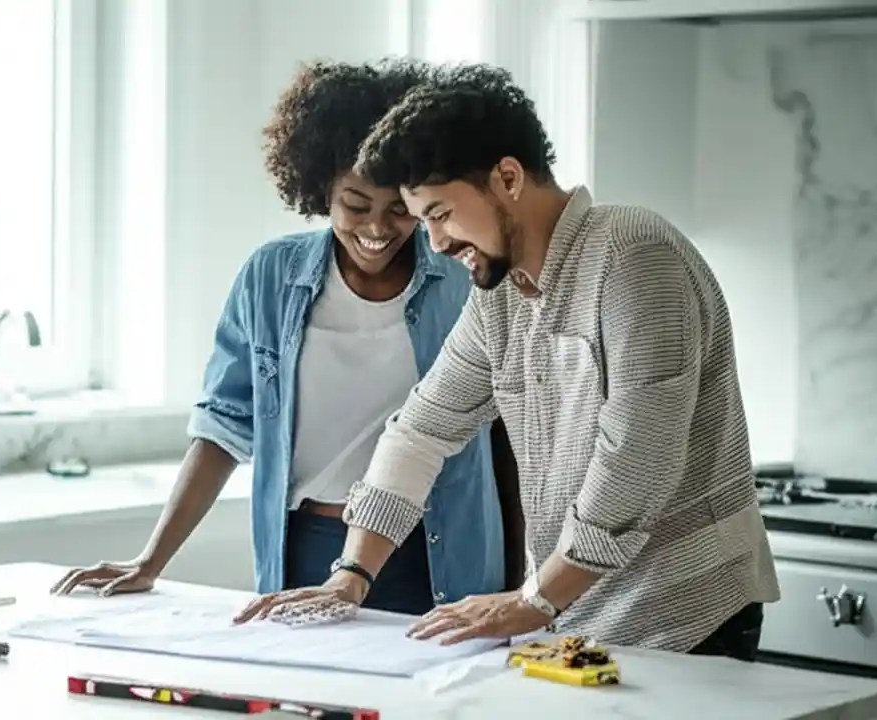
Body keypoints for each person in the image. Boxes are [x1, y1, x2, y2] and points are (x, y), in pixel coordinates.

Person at [237, 63, 780, 660]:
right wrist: (353, 575)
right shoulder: (500, 296)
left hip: (686, 611)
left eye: (441, 214)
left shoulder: (634, 256)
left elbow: (638, 461)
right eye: (425, 222)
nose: (436, 243)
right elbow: (422, 429)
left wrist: (533, 601)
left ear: (508, 177)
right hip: (580, 611)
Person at [50, 59, 523, 616]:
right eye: (355, 205)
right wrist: (151, 561)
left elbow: (503, 440)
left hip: (443, 550)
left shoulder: (464, 279)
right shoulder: (270, 278)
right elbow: (223, 426)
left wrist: (516, 585)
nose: (376, 229)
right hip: (306, 547)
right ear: (321, 188)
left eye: (399, 210)